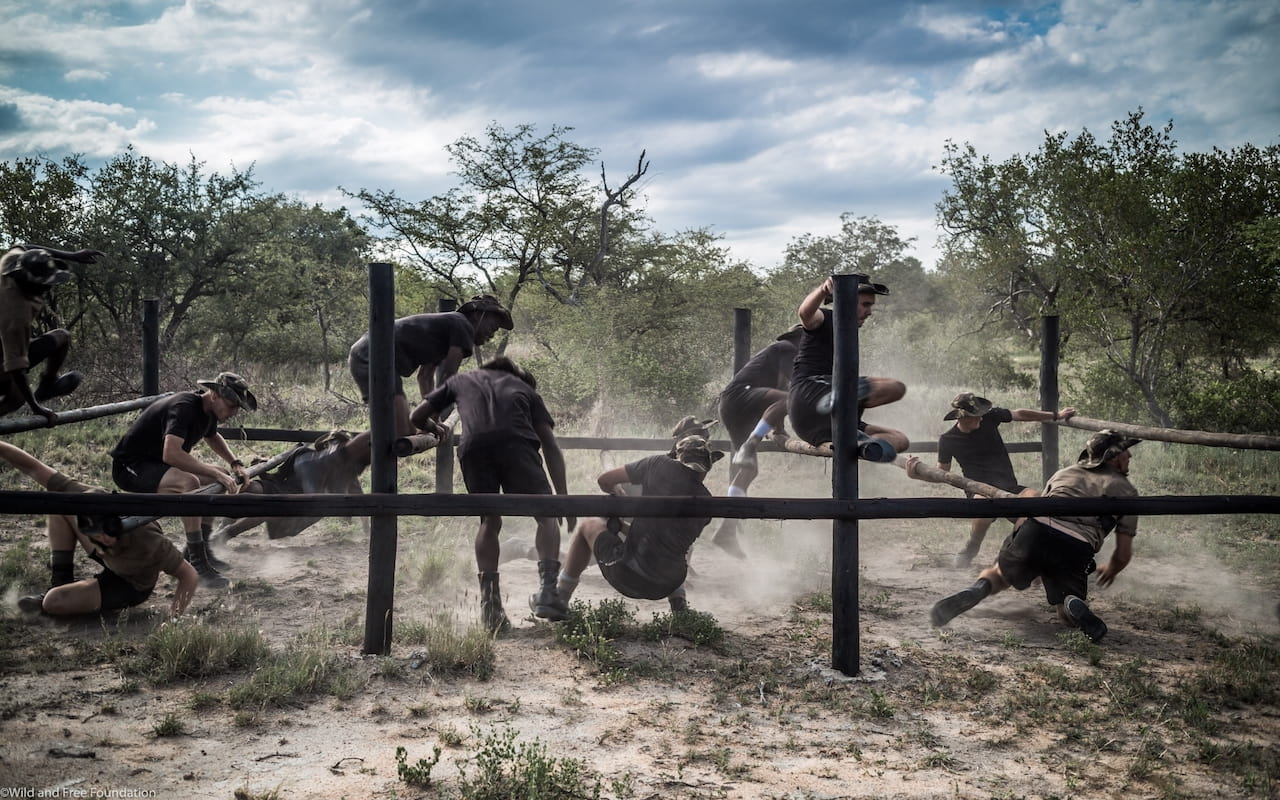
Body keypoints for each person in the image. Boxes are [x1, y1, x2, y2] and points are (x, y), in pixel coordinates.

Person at [929, 430, 1141, 643]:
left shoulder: (1065, 473)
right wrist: (1112, 569)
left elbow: (1035, 508)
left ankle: (978, 589)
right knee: (1067, 610)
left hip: (1036, 531)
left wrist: (1018, 544)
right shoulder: (1127, 491)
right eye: (1125, 452)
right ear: (1113, 457)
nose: (1129, 456)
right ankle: (1071, 602)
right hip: (1076, 545)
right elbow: (1122, 555)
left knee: (1000, 574)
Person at [410, 356, 570, 633]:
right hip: (517, 447)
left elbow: (417, 417)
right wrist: (562, 498)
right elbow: (551, 446)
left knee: (489, 521)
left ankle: (491, 607)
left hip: (474, 450)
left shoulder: (459, 381)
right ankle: (548, 593)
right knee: (547, 517)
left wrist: (435, 429)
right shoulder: (525, 389)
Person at [2, 441, 198, 619]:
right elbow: (34, 468)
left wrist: (174, 619)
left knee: (53, 602)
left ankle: (65, 594)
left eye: (106, 531)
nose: (103, 537)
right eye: (97, 532)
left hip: (129, 581)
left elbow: (189, 575)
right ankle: (61, 580)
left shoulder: (147, 539)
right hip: (104, 554)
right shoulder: (86, 498)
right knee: (58, 501)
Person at [109, 372, 260, 588]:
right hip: (131, 466)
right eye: (231, 405)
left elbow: (212, 436)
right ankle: (197, 562)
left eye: (237, 407)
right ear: (215, 395)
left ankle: (198, 551)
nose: (234, 412)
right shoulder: (185, 407)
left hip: (156, 465)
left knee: (214, 477)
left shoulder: (208, 411)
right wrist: (216, 473)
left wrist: (234, 463)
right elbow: (170, 454)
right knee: (190, 483)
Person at [554, 434, 722, 613]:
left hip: (628, 575)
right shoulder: (706, 501)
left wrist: (618, 493)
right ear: (706, 468)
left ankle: (559, 598)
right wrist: (623, 527)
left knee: (588, 525)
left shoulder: (657, 464)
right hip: (667, 584)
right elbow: (663, 538)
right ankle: (679, 606)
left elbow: (605, 480)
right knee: (672, 552)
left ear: (676, 457)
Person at [937, 392, 1077, 567]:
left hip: (1009, 486)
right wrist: (915, 473)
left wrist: (1055, 415)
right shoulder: (948, 440)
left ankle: (1010, 553)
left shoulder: (990, 417)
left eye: (981, 416)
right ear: (962, 417)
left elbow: (1020, 414)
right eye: (976, 417)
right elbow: (942, 473)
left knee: (1036, 500)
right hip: (979, 489)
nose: (980, 420)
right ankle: (972, 547)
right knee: (982, 506)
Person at [349, 294, 513, 437]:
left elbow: (425, 377)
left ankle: (340, 456)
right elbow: (449, 377)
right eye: (493, 327)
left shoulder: (445, 331)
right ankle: (337, 458)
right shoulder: (462, 325)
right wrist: (432, 423)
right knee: (400, 430)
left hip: (367, 354)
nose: (492, 335)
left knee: (402, 430)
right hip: (374, 357)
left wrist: (434, 420)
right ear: (478, 315)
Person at [787, 276, 908, 459]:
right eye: (865, 304)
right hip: (811, 395)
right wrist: (822, 291)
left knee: (900, 440)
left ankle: (863, 445)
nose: (869, 312)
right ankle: (841, 398)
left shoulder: (850, 333)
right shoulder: (826, 319)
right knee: (894, 388)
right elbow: (805, 313)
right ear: (847, 303)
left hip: (829, 424)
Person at [715, 327, 803, 557]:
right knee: (797, 396)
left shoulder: (781, 355)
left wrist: (780, 430)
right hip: (740, 397)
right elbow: (792, 388)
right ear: (799, 338)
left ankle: (728, 529)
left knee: (749, 469)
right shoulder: (787, 348)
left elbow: (778, 395)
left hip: (738, 407)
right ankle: (728, 527)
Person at [0, 244, 105, 421]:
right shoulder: (15, 315)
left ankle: (47, 385)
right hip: (4, 352)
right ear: (27, 282)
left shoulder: (10, 262)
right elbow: (16, 368)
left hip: (7, 347)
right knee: (17, 398)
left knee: (62, 337)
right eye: (42, 285)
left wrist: (73, 255)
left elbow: (28, 247)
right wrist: (36, 408)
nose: (47, 289)